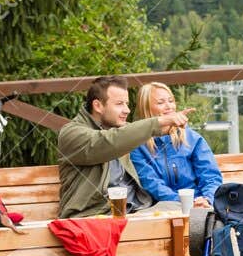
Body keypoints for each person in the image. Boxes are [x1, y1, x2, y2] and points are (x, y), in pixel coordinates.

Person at [58, 77, 188, 219]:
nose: (127, 110)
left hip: (136, 210)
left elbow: (126, 134)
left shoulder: (122, 130)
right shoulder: (71, 134)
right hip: (93, 215)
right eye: (119, 104)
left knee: (186, 209)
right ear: (98, 106)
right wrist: (158, 122)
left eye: (127, 104)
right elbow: (108, 141)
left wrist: (163, 130)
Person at [129, 82, 222, 207]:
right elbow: (152, 184)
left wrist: (207, 198)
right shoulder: (138, 146)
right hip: (165, 205)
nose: (169, 106)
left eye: (171, 101)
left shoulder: (192, 139)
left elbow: (210, 176)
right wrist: (185, 202)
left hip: (201, 202)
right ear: (146, 108)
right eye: (160, 103)